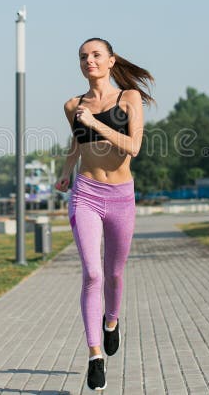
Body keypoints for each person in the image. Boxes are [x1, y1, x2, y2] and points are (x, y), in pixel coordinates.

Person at [54, 37, 154, 391]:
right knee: (93, 275)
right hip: (86, 194)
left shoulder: (129, 98)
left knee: (114, 273)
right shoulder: (72, 105)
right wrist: (66, 170)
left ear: (111, 61)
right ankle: (95, 356)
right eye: (83, 57)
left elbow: (134, 146)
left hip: (121, 196)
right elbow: (77, 145)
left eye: (96, 55)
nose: (89, 61)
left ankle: (112, 321)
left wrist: (95, 123)